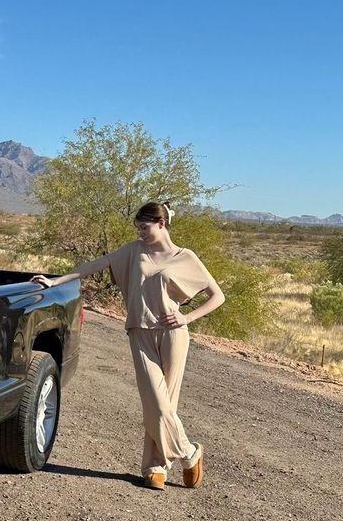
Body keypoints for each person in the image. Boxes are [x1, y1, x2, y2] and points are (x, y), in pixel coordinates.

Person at [31, 201, 225, 490]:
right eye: (138, 229)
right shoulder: (134, 250)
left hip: (173, 335)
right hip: (140, 331)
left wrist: (187, 316)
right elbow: (97, 264)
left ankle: (154, 468)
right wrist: (56, 281)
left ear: (161, 224)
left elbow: (216, 295)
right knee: (155, 402)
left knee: (165, 404)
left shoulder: (185, 257)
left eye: (144, 228)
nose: (141, 233)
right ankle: (189, 452)